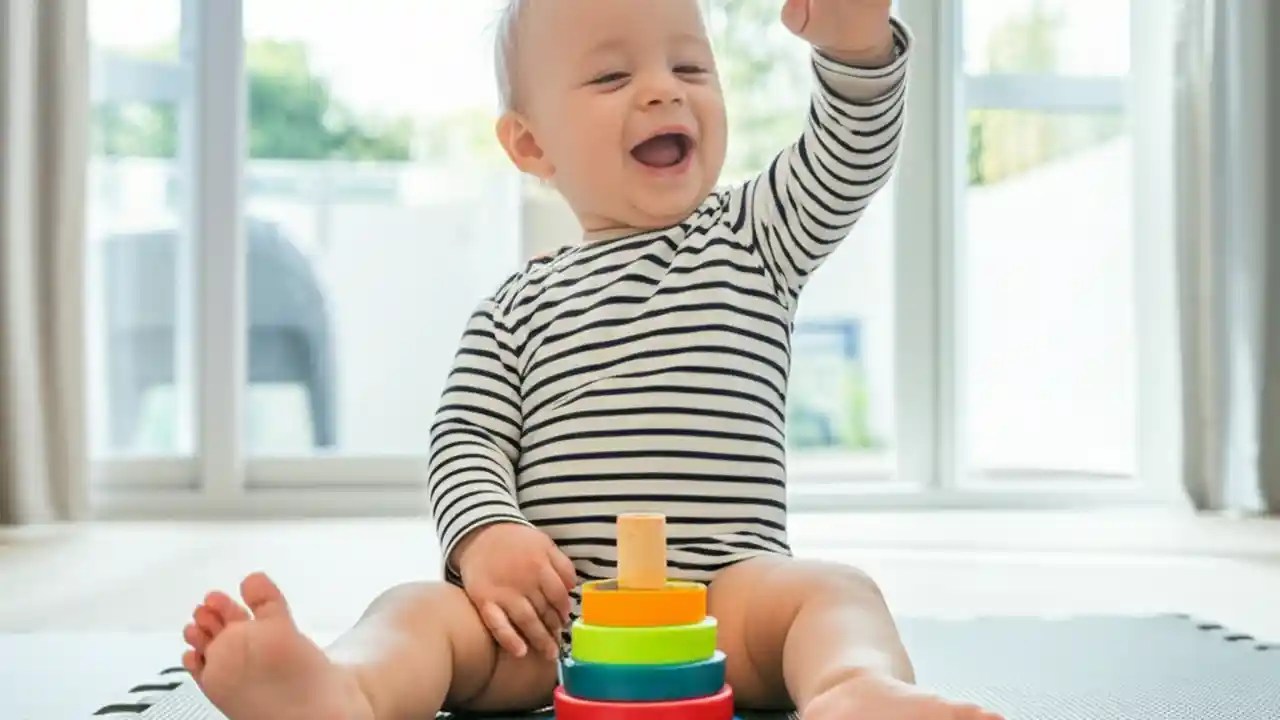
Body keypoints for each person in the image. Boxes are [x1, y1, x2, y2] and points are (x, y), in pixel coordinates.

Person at [180, 2, 1004, 719]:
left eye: (690, 65)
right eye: (612, 78)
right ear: (531, 145)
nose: (662, 88)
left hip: (722, 611)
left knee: (835, 593)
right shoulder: (513, 308)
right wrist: (487, 534)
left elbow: (849, 152)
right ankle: (346, 690)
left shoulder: (756, 239)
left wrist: (855, 46)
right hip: (549, 627)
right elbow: (464, 437)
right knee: (418, 610)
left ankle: (852, 691)